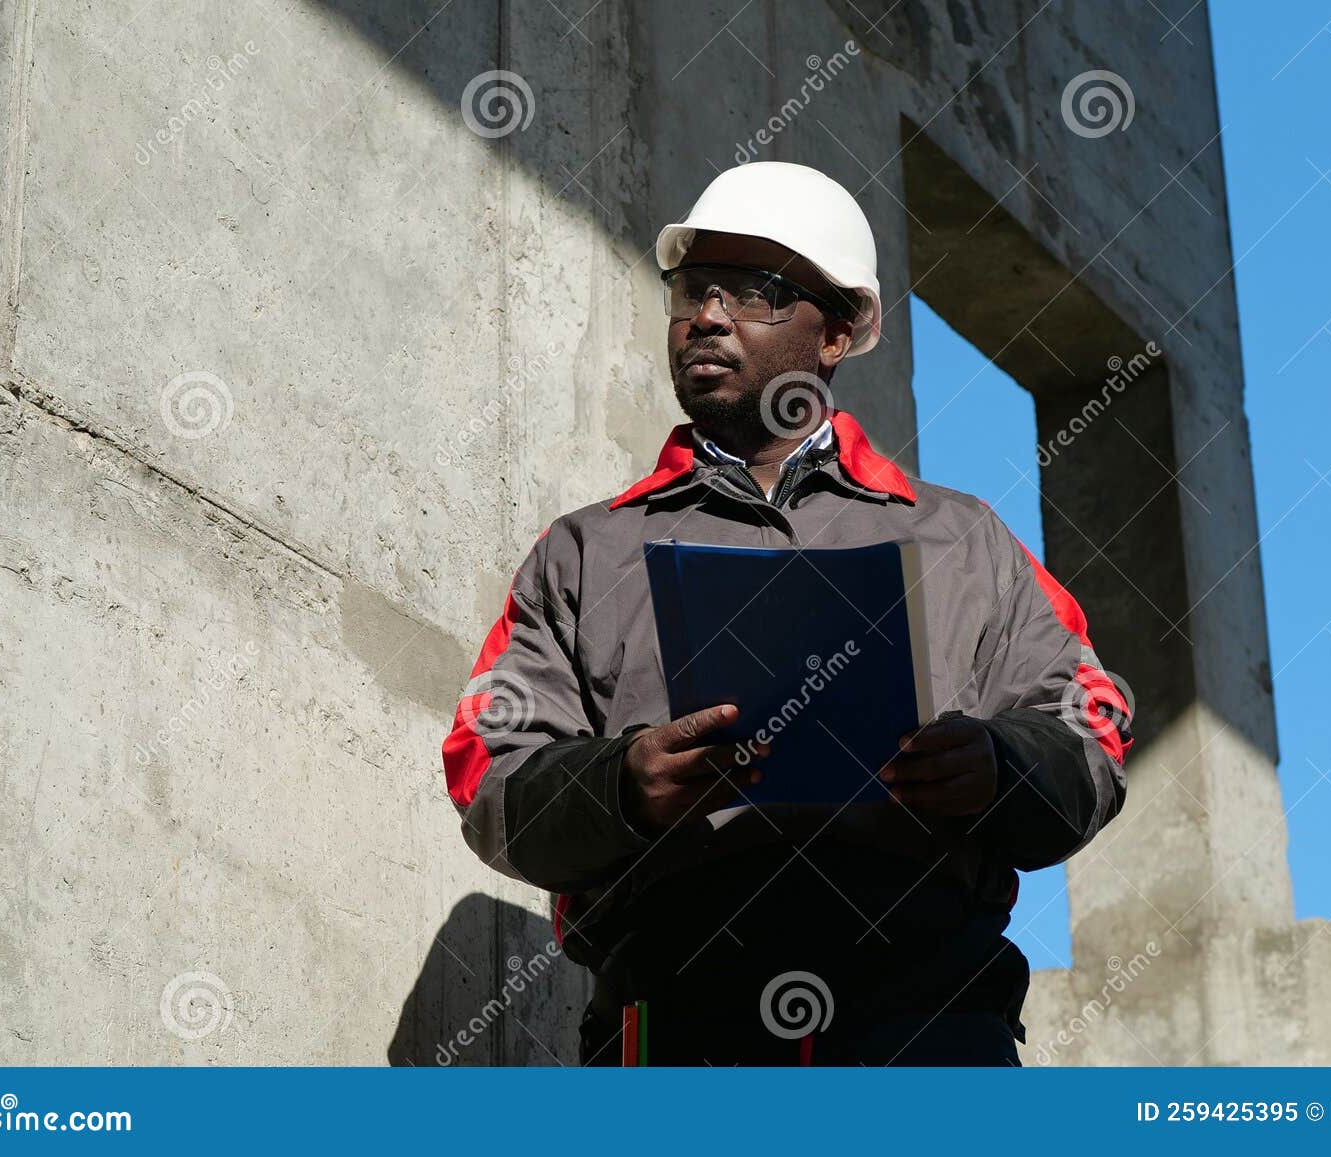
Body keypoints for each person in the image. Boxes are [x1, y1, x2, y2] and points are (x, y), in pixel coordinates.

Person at [440, 161, 1132, 1065]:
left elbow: (1094, 728)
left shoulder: (965, 540)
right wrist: (621, 785)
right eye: (694, 288)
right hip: (674, 1034)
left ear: (838, 332)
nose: (709, 315)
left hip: (927, 1032)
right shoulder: (584, 553)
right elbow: (487, 771)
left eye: (756, 292)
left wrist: (999, 766)